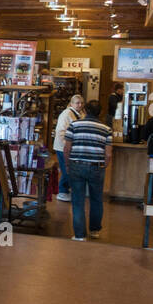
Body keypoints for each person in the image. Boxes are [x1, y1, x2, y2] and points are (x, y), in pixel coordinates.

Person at [62, 99, 113, 241]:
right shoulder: (106, 129)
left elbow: (67, 148)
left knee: (77, 200)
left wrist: (67, 164)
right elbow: (108, 153)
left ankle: (79, 235)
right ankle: (95, 231)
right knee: (96, 199)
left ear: (85, 110)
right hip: (96, 167)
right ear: (100, 112)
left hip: (76, 165)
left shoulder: (74, 125)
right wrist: (104, 165)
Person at [53, 94, 85, 202]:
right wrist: (66, 145)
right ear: (71, 104)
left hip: (71, 147)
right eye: (77, 103)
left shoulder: (79, 113)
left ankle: (66, 189)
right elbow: (61, 131)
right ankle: (62, 191)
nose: (79, 105)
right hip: (63, 147)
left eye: (81, 103)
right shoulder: (66, 114)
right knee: (66, 170)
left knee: (70, 169)